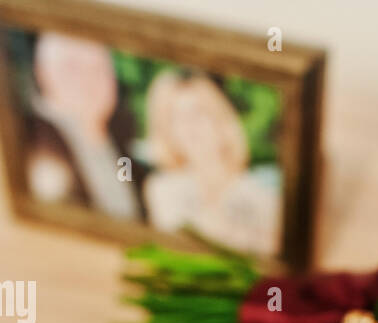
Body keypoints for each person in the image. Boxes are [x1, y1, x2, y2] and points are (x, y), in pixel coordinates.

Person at [142, 72, 281, 257]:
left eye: (198, 112)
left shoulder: (264, 199)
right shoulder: (162, 190)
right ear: (168, 131)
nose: (190, 126)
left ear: (220, 120)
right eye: (177, 118)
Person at [23, 32, 142, 221]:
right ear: (42, 72)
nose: (88, 81)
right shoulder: (28, 141)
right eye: (73, 68)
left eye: (98, 69)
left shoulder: (121, 138)